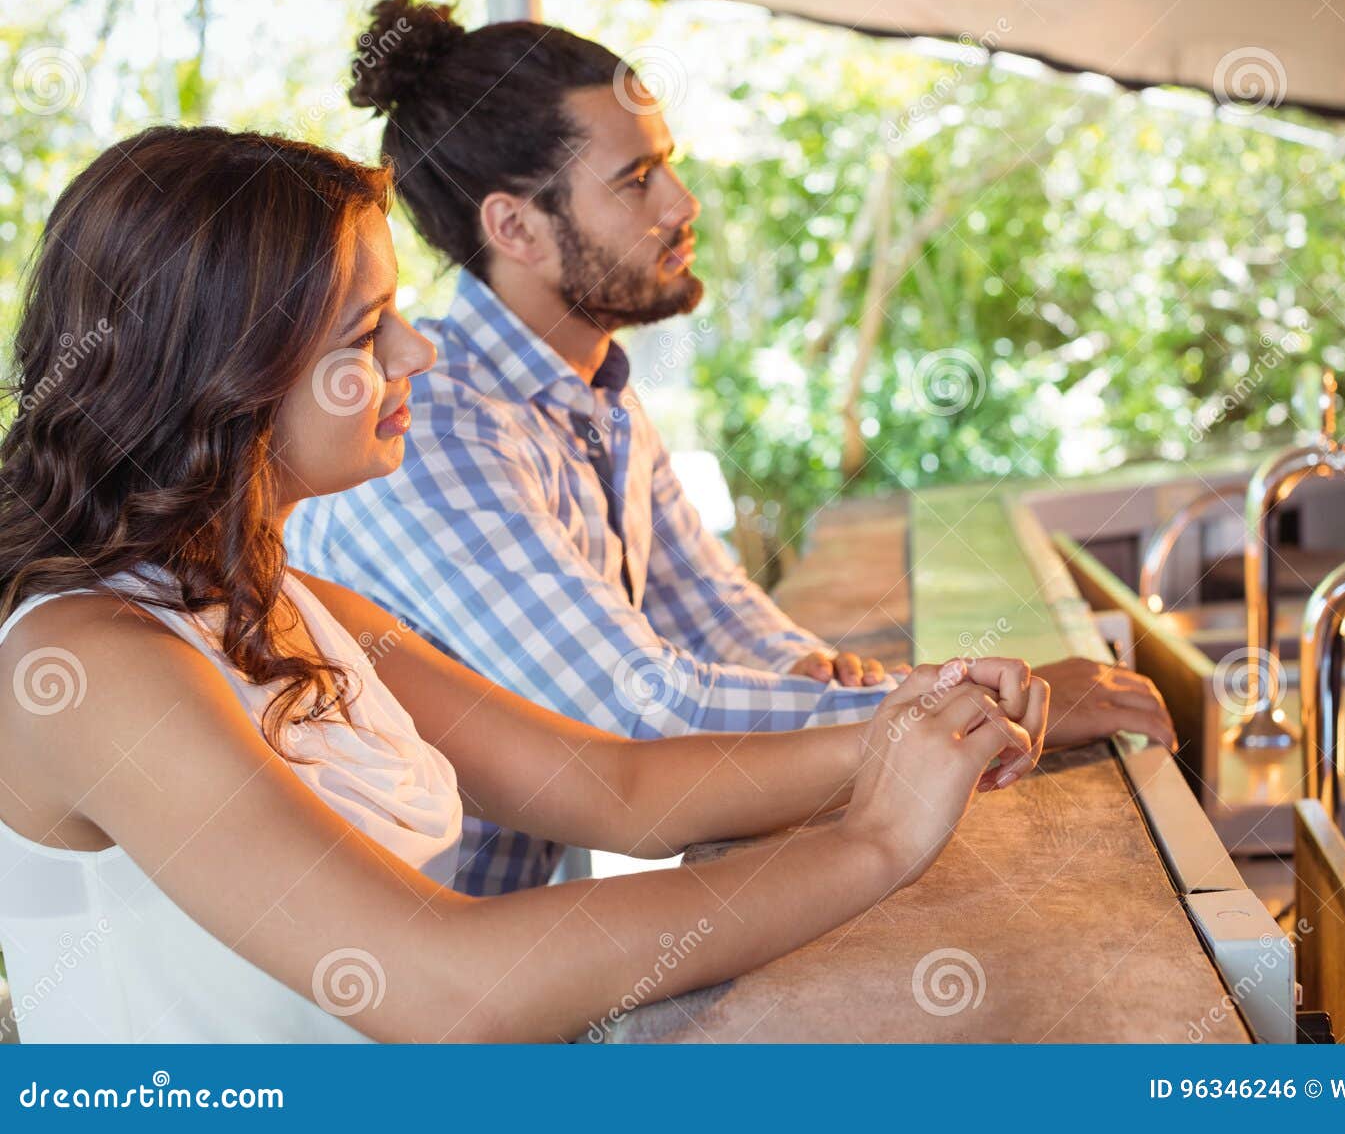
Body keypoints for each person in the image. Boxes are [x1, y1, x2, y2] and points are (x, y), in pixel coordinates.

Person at [0, 126, 1048, 1043]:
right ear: (228, 373)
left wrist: (908, 729)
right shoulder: (86, 665)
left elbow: (617, 790)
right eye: (369, 332)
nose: (418, 352)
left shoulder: (299, 608)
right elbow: (444, 984)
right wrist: (874, 843)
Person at [286, 0, 1177, 895]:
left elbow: (710, 604)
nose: (683, 201)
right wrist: (969, 707)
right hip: (379, 1003)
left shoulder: (595, 396)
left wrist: (804, 665)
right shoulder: (432, 425)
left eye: (667, 165)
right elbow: (640, 718)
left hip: (484, 949)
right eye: (637, 179)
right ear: (514, 226)